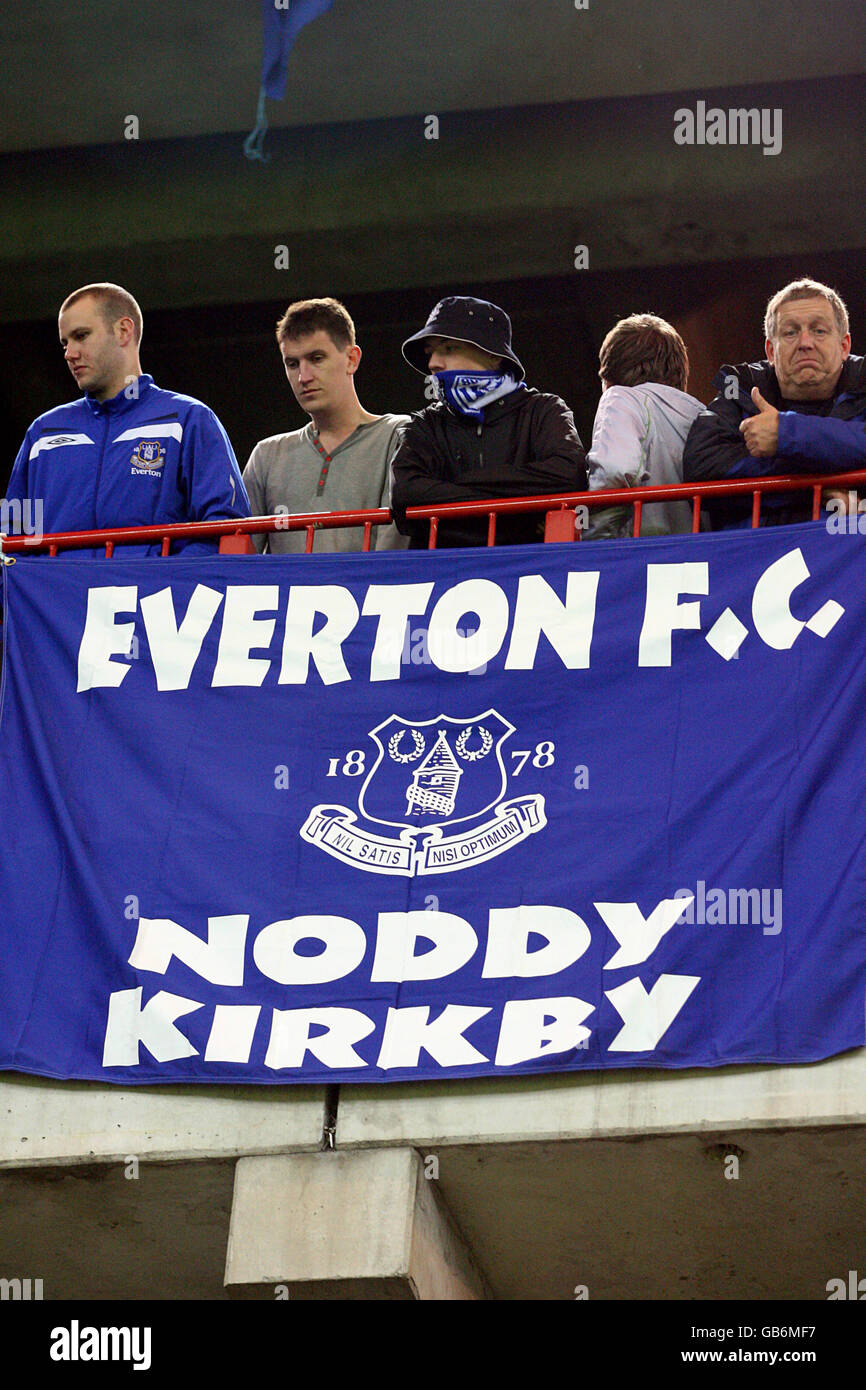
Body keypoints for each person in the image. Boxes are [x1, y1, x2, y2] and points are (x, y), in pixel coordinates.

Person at [5, 282, 250, 556]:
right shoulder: (42, 432)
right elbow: (12, 540)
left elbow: (226, 529)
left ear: (123, 331)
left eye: (81, 336)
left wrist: (165, 584)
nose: (69, 354)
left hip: (152, 597)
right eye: (65, 342)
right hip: (57, 599)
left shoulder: (188, 420)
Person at [389, 296, 587, 547]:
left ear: (494, 356)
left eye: (448, 348)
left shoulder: (544, 410)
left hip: (526, 574)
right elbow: (406, 496)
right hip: (444, 576)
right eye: (430, 352)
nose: (432, 363)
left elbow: (570, 477)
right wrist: (519, 511)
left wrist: (454, 490)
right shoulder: (423, 425)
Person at [683, 278, 866, 529]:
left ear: (844, 346)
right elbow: (701, 468)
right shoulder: (739, 390)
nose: (805, 343)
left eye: (819, 330)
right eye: (790, 332)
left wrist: (786, 434)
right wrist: (818, 488)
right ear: (770, 351)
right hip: (757, 561)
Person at [243, 297, 408, 553]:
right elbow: (241, 563)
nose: (303, 377)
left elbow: (393, 551)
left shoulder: (398, 435)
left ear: (352, 359)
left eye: (317, 358)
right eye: (292, 363)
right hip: (287, 593)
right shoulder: (266, 455)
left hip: (369, 591)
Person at [585, 314, 703, 538]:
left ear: (609, 374)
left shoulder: (621, 398)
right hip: (703, 560)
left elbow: (615, 470)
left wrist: (594, 542)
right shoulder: (703, 413)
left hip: (641, 558)